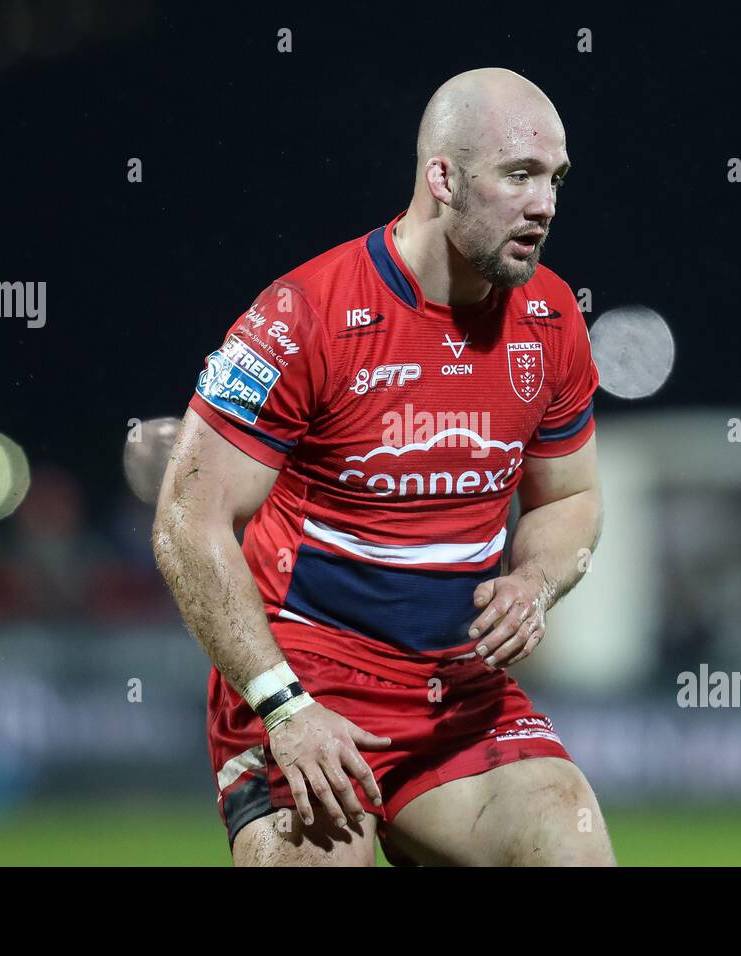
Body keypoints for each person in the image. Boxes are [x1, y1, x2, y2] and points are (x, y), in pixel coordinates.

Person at [153, 67, 614, 866]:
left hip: (457, 696)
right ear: (442, 176)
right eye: (518, 175)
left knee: (568, 843)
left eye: (555, 179)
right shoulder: (304, 316)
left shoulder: (552, 316)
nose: (544, 203)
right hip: (303, 689)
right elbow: (186, 522)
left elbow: (570, 497)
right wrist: (282, 704)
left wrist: (535, 581)